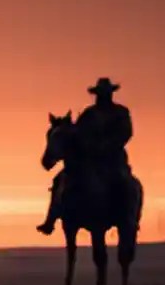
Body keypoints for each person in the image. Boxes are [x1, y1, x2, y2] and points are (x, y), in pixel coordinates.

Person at [39, 77, 134, 235]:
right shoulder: (89, 114)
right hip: (90, 159)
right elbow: (78, 133)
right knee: (60, 180)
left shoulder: (121, 113)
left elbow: (126, 133)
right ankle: (51, 219)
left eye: (105, 93)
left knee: (123, 182)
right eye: (100, 94)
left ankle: (127, 217)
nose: (102, 97)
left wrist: (108, 145)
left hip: (113, 159)